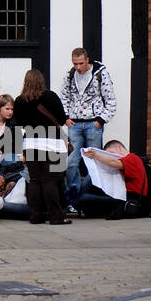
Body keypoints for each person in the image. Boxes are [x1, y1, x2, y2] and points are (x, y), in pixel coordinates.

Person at [59, 47, 118, 205]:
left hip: (93, 123)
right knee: (72, 161)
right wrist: (66, 117)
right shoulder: (70, 75)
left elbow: (111, 100)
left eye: (80, 63)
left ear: (87, 60)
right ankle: (73, 197)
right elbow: (63, 97)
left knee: (94, 162)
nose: (78, 67)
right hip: (75, 123)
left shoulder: (101, 74)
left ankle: (85, 197)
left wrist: (100, 120)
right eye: (75, 64)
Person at [14, 68, 70, 225]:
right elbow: (61, 118)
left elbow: (19, 124)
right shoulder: (51, 97)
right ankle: (56, 217)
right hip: (52, 144)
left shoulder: (19, 101)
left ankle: (35, 216)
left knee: (34, 180)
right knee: (50, 181)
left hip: (31, 143)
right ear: (41, 81)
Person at [75, 140, 148, 220]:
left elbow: (113, 162)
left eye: (112, 153)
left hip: (125, 200)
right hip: (121, 196)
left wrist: (95, 155)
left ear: (119, 148)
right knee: (90, 178)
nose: (112, 156)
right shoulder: (130, 160)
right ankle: (74, 202)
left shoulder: (132, 158)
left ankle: (73, 203)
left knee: (83, 198)